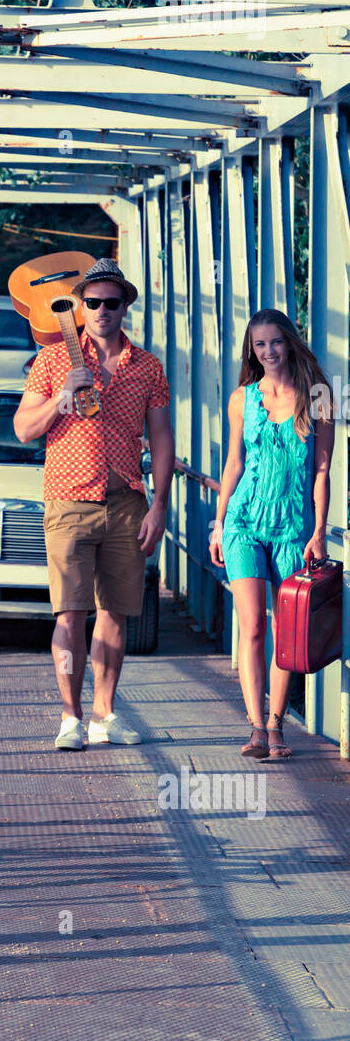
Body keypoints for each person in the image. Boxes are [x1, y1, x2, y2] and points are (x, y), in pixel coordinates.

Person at [13, 257, 175, 750]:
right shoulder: (54, 360)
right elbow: (22, 429)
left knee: (115, 615)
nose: (102, 309)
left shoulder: (148, 366)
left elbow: (163, 439)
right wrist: (60, 398)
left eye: (111, 301)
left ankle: (105, 714)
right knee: (69, 614)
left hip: (127, 500)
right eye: (93, 301)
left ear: (125, 306)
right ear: (80, 306)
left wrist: (160, 505)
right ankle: (70, 718)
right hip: (68, 500)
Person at [209, 309, 334, 758]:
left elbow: (322, 471)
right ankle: (257, 728)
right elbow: (234, 465)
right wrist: (220, 524)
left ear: (290, 342)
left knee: (286, 628)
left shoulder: (318, 395)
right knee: (252, 626)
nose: (268, 352)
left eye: (275, 342)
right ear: (252, 350)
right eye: (259, 345)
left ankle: (279, 725)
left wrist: (318, 531)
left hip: (293, 529)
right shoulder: (243, 398)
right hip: (245, 522)